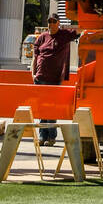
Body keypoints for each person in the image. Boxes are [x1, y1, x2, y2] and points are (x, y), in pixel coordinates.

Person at [32, 14, 79, 145]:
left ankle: (51, 137)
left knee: (51, 108)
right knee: (42, 108)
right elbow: (35, 57)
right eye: (49, 21)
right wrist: (33, 73)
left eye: (53, 21)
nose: (51, 24)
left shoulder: (64, 35)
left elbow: (79, 31)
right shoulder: (42, 37)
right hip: (40, 78)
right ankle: (42, 136)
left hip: (54, 79)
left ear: (58, 23)